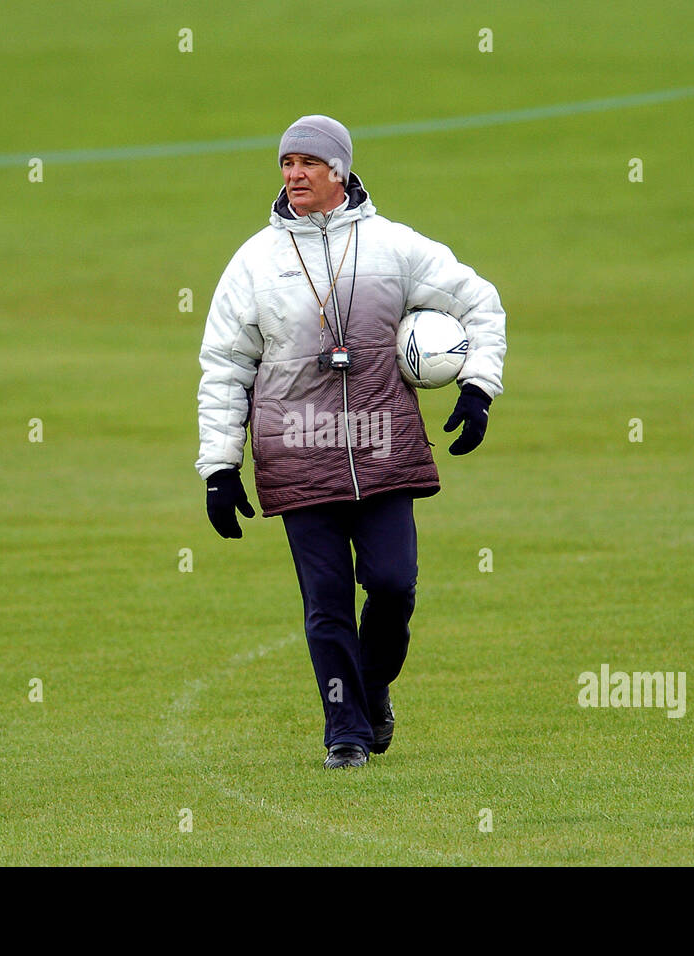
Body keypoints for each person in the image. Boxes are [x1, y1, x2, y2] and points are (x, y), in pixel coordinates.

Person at [195, 114, 506, 769]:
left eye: (308, 162)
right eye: (286, 163)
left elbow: (481, 303)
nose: (294, 174)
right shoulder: (255, 261)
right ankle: (347, 733)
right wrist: (220, 467)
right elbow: (224, 363)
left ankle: (371, 692)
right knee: (327, 605)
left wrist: (477, 388)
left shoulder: (394, 247)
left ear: (339, 169)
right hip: (296, 455)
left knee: (394, 587)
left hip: (384, 450)